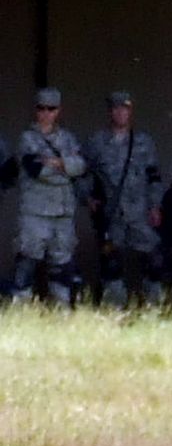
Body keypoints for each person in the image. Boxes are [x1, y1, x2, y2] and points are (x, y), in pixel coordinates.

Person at [85, 90, 166, 308]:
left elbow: (153, 176)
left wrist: (155, 205)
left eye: (125, 108)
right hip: (111, 213)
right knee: (111, 262)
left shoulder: (143, 142)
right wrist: (88, 198)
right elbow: (84, 174)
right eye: (117, 108)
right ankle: (115, 308)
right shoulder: (96, 143)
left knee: (154, 258)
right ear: (110, 111)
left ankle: (153, 306)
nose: (121, 113)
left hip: (140, 212)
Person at [11, 90, 86, 306]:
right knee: (27, 260)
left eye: (51, 109)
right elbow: (37, 170)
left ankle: (60, 310)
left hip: (62, 212)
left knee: (62, 263)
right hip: (35, 212)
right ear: (35, 110)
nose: (45, 113)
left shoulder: (68, 138)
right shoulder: (27, 138)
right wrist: (66, 166)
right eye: (41, 108)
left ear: (58, 111)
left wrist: (56, 162)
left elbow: (81, 166)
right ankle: (21, 311)